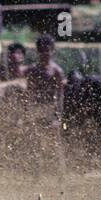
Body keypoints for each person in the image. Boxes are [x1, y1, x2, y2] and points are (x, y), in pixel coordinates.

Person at [25, 35, 67, 174]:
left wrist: (59, 116)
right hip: (37, 109)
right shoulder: (33, 71)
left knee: (55, 143)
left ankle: (61, 175)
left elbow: (60, 95)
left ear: (52, 51)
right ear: (38, 52)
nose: (45, 53)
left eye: (48, 50)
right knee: (36, 143)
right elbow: (29, 92)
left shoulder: (56, 71)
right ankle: (37, 175)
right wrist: (29, 112)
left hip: (51, 109)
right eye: (42, 50)